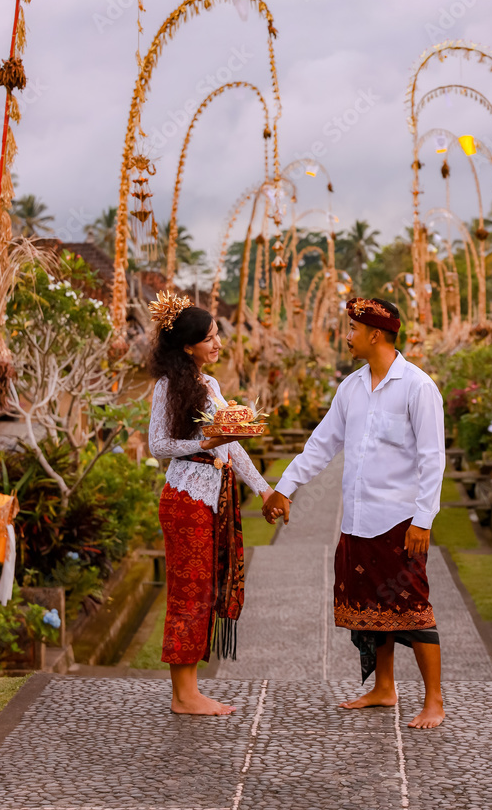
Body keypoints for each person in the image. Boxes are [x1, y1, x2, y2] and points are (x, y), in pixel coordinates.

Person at [262, 297, 446, 728]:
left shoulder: (418, 387)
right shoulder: (351, 387)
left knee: (413, 606)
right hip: (357, 519)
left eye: (353, 328)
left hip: (400, 520)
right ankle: (384, 689)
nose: (347, 336)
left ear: (375, 334)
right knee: (371, 607)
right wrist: (285, 488)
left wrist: (424, 518)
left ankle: (434, 700)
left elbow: (432, 458)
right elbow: (322, 443)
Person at [148, 291, 273, 715]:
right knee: (189, 591)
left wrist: (265, 490)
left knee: (203, 590)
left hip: (211, 498)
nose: (218, 343)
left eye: (218, 334)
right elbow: (158, 445)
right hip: (186, 499)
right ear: (187, 346)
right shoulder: (168, 386)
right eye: (209, 338)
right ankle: (185, 696)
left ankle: (189, 691)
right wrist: (206, 442)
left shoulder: (210, 384)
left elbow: (232, 448)